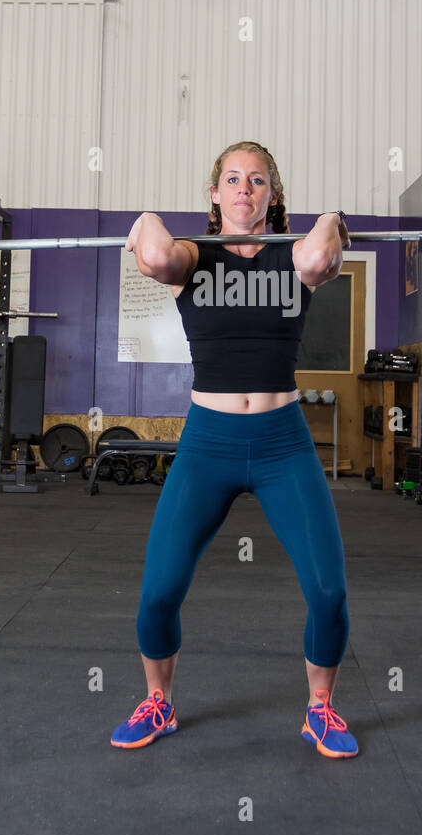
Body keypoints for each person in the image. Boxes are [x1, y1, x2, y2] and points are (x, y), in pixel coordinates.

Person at [111, 141, 358, 759]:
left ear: (272, 196)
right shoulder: (195, 259)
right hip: (208, 444)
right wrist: (143, 220)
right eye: (232, 179)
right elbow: (156, 253)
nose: (244, 188)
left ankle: (320, 709)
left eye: (258, 180)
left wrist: (332, 217)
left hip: (282, 443)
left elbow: (322, 253)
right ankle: (158, 701)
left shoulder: (294, 259)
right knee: (159, 590)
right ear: (214, 195)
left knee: (328, 590)